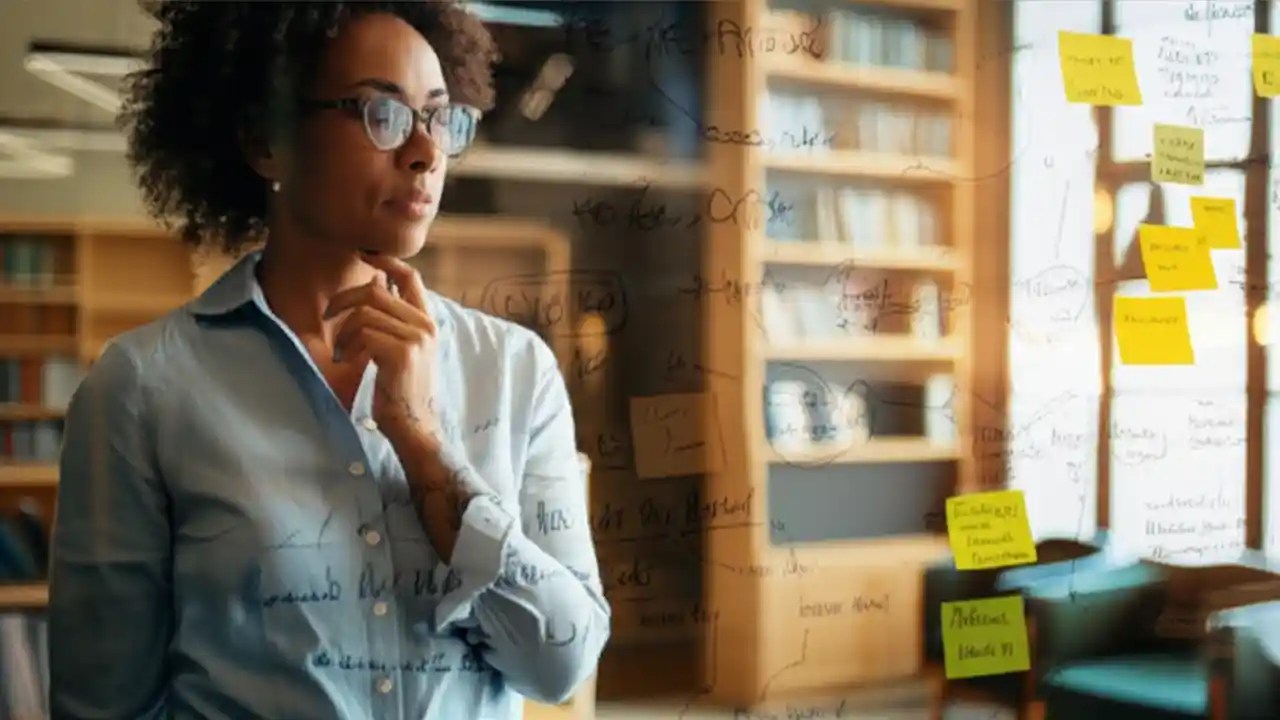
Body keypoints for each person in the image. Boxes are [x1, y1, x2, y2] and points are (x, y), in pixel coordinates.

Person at [48, 2, 610, 718]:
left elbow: (560, 663)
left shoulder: (516, 371)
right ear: (265, 141)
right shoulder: (142, 389)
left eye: (440, 117)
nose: (426, 153)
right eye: (382, 113)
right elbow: (104, 704)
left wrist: (425, 448)